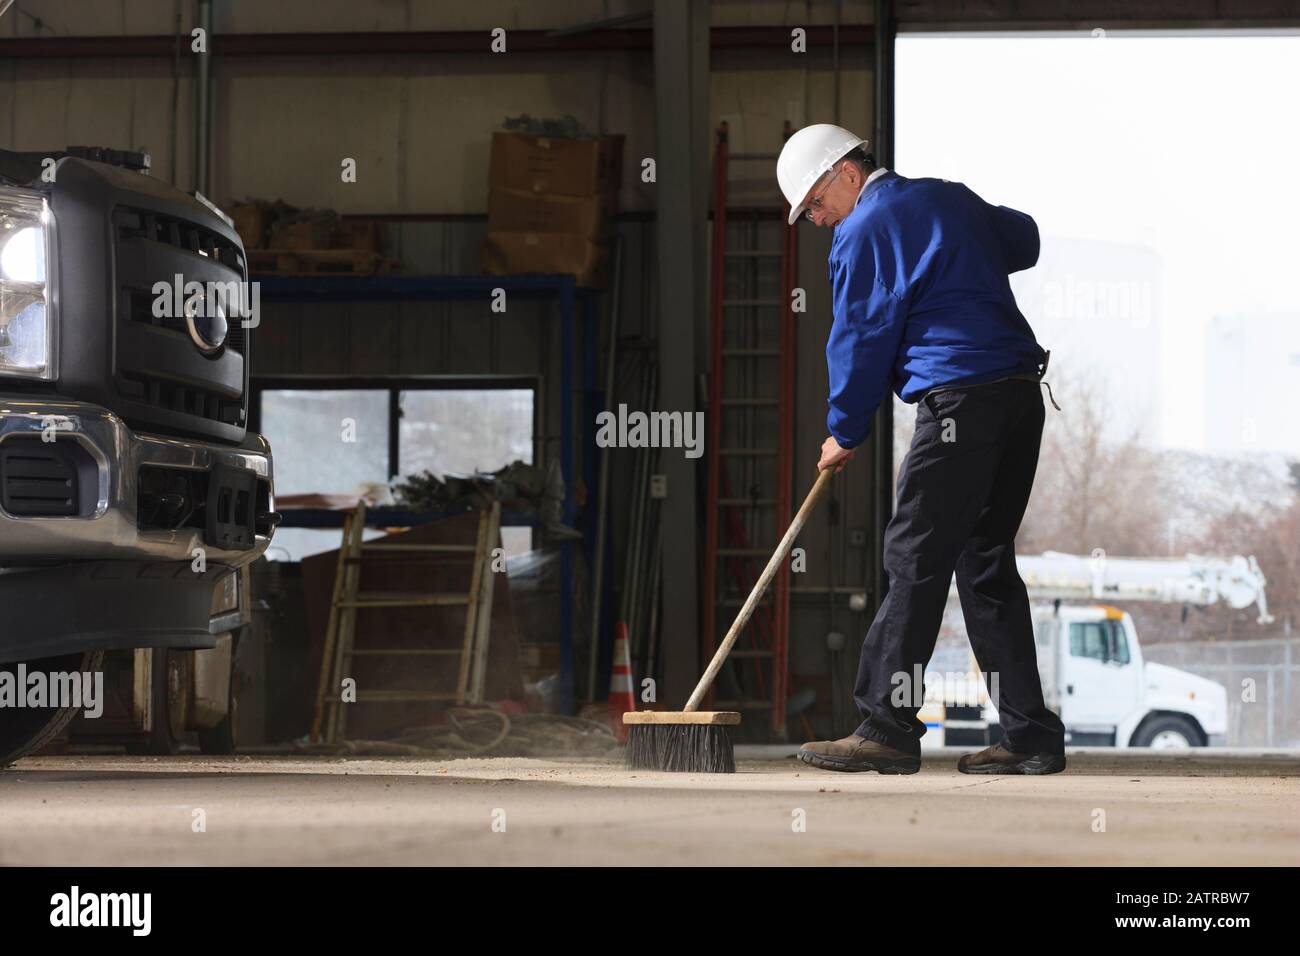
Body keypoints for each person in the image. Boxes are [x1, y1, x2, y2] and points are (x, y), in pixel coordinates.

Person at [775, 124, 1067, 775]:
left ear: (846, 172)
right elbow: (1025, 240)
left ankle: (885, 725)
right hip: (1020, 396)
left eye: (816, 205)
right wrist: (953, 237)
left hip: (962, 398)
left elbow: (858, 335)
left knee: (914, 554)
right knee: (985, 562)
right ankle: (1030, 737)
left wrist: (844, 429)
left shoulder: (864, 229)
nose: (819, 221)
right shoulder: (947, 198)